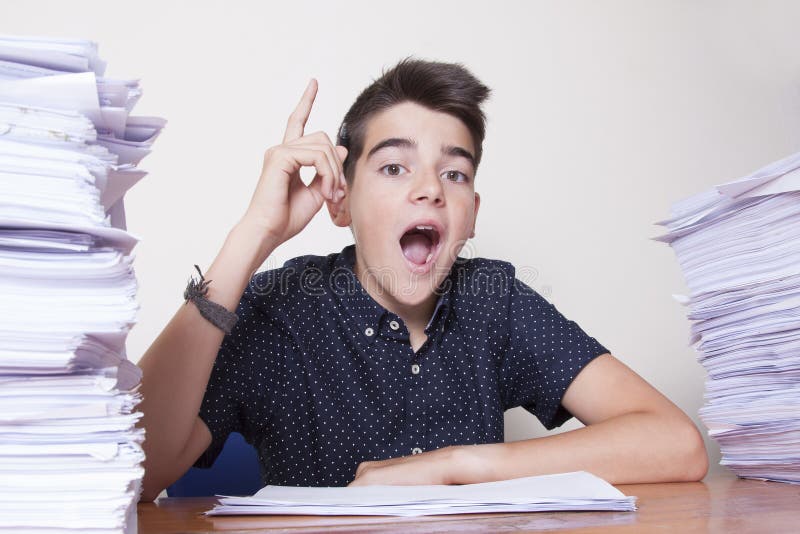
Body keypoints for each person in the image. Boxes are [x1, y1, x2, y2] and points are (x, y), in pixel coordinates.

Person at [137, 58, 708, 501]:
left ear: (471, 214)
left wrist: (455, 467)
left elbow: (675, 444)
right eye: (393, 167)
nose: (430, 188)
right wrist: (253, 235)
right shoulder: (282, 310)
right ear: (341, 202)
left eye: (454, 173)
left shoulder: (493, 301)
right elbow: (131, 473)